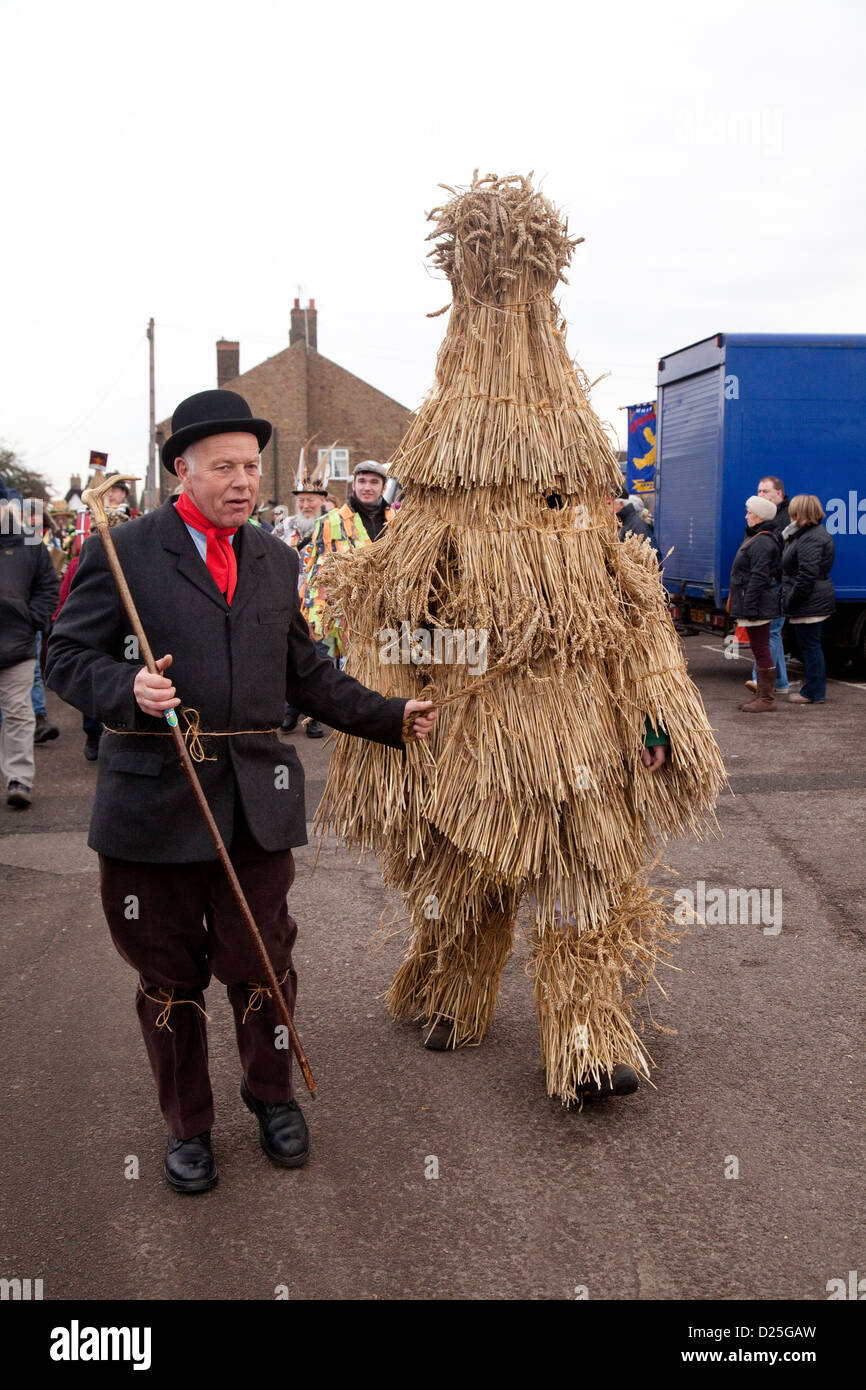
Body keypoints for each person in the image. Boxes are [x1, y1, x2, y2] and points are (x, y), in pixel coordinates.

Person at [46, 390, 436, 1193]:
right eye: (223, 466)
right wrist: (127, 688)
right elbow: (66, 659)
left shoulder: (275, 557)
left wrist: (391, 715)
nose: (241, 480)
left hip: (256, 801)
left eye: (251, 466)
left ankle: (272, 1096)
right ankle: (187, 1125)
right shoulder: (123, 552)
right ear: (180, 470)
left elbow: (308, 674)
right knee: (168, 974)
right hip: (152, 801)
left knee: (263, 958)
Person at [300, 461, 395, 661]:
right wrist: (314, 618)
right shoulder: (329, 522)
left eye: (373, 482)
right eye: (361, 481)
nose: (367, 487)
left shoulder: (397, 522)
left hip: (387, 621)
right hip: (344, 622)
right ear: (353, 485)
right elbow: (317, 573)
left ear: (383, 487)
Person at [0, 493, 60, 807]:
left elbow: (48, 586)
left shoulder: (30, 543)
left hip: (16, 643)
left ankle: (19, 779)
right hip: (19, 638)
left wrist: (34, 620)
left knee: (18, 713)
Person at [278, 453, 332, 735]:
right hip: (289, 604)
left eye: (311, 499)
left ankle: (314, 716)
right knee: (288, 656)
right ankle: (290, 708)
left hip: (320, 605)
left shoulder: (335, 526)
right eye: (301, 500)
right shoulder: (285, 527)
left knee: (317, 659)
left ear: (322, 499)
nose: (305, 504)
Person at [728, 495, 782, 713]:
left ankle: (767, 699)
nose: (746, 515)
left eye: (749, 512)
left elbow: (759, 576)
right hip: (756, 603)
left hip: (758, 604)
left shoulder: (761, 541)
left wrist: (749, 607)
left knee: (761, 648)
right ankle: (762, 695)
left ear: (759, 516)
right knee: (759, 648)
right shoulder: (758, 538)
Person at [781, 494, 835, 705]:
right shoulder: (806, 535)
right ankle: (813, 690)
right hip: (811, 600)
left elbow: (806, 575)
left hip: (809, 602)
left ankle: (813, 692)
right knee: (810, 647)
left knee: (810, 647)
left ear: (800, 513)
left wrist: (790, 601)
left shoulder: (810, 537)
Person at [743, 474, 791, 695]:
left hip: (776, 585)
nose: (760, 494)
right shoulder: (769, 524)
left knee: (769, 634)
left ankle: (762, 682)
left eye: (765, 491)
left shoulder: (781, 522)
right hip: (775, 584)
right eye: (759, 491)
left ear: (778, 493)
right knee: (774, 634)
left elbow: (769, 564)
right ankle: (779, 681)